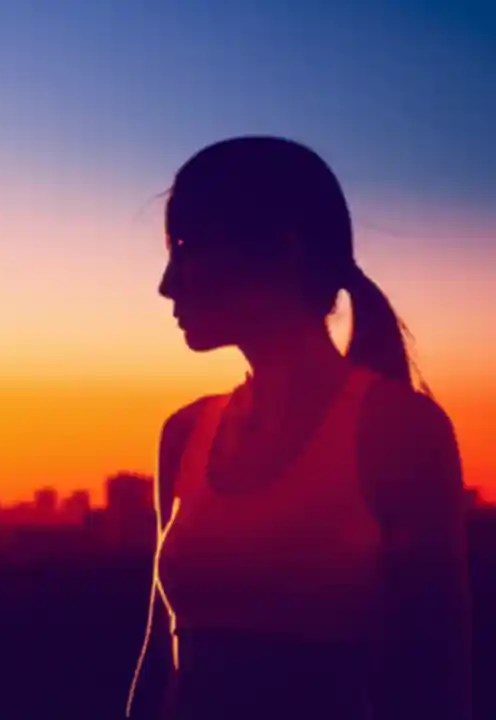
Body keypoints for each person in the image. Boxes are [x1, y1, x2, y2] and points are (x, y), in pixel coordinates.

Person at [126, 137, 472, 720]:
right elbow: (161, 656)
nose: (166, 283)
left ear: (282, 248)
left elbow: (435, 677)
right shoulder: (183, 434)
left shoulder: (399, 433)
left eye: (185, 247)